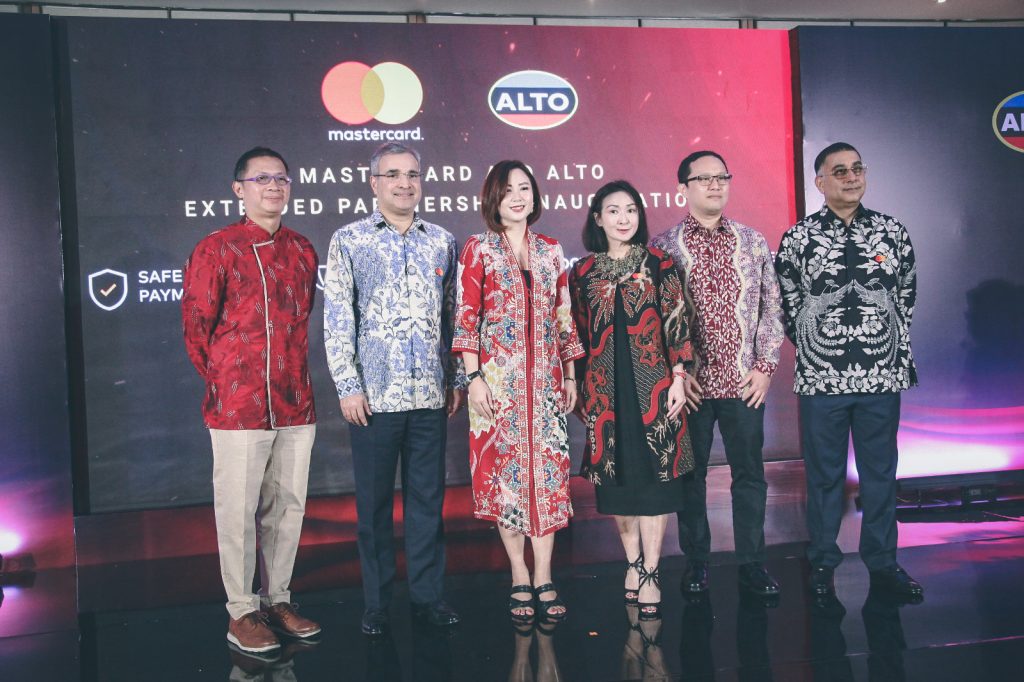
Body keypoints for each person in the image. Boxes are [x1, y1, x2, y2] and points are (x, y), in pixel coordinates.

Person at [182, 146, 321, 654]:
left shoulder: (302, 249)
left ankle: (277, 599)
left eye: (281, 178)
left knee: (287, 506)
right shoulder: (216, 248)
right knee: (238, 511)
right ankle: (241, 611)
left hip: (294, 400)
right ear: (239, 189)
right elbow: (196, 329)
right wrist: (228, 380)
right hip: (238, 406)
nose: (274, 186)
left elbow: (302, 319)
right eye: (261, 178)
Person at [323, 142, 463, 637]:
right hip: (374, 401)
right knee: (375, 507)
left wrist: (455, 378)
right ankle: (377, 603)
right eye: (393, 175)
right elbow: (338, 318)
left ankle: (428, 597)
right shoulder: (350, 240)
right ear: (374, 183)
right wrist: (348, 385)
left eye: (412, 174)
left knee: (427, 504)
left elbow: (453, 317)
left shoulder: (442, 241)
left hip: (429, 398)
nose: (405, 183)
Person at [775, 142, 921, 600]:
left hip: (881, 375)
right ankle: (822, 562)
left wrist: (881, 342)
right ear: (820, 182)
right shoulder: (799, 239)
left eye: (857, 168)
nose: (852, 176)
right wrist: (824, 350)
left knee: (880, 474)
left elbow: (906, 295)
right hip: (822, 378)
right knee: (825, 477)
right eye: (840, 171)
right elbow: (787, 304)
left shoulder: (891, 232)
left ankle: (884, 563)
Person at [452, 160, 584, 623]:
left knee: (546, 480)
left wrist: (570, 376)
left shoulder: (551, 250)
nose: (516, 197)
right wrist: (473, 379)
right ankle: (519, 574)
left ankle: (544, 574)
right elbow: (466, 319)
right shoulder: (478, 249)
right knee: (506, 481)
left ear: (534, 195)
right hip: (496, 389)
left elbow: (564, 318)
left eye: (524, 188)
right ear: (493, 197)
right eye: (507, 189)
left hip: (546, 388)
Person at [650, 150, 785, 598]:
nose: (714, 185)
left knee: (750, 475)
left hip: (745, 383)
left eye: (721, 177)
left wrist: (765, 367)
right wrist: (675, 374)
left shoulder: (752, 241)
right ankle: (697, 563)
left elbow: (772, 308)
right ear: (682, 188)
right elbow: (656, 321)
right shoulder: (664, 247)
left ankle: (752, 563)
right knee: (691, 478)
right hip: (691, 386)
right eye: (703, 178)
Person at [569, 180, 694, 620]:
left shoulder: (660, 263)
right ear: (598, 218)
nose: (623, 219)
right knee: (617, 482)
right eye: (613, 211)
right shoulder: (582, 272)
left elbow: (677, 320)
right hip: (605, 391)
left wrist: (679, 376)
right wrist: (577, 384)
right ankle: (633, 563)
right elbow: (577, 333)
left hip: (654, 387)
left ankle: (653, 571)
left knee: (655, 480)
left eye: (631, 210)